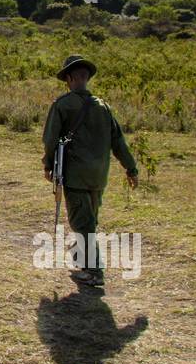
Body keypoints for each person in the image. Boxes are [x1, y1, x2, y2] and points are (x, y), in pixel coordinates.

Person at [42, 55, 138, 288]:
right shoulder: (103, 107)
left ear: (69, 78)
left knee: (81, 223)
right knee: (89, 220)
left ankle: (93, 271)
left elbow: (50, 139)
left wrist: (48, 164)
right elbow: (119, 142)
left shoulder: (62, 105)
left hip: (75, 174)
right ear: (85, 78)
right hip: (98, 176)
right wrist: (131, 168)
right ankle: (82, 258)